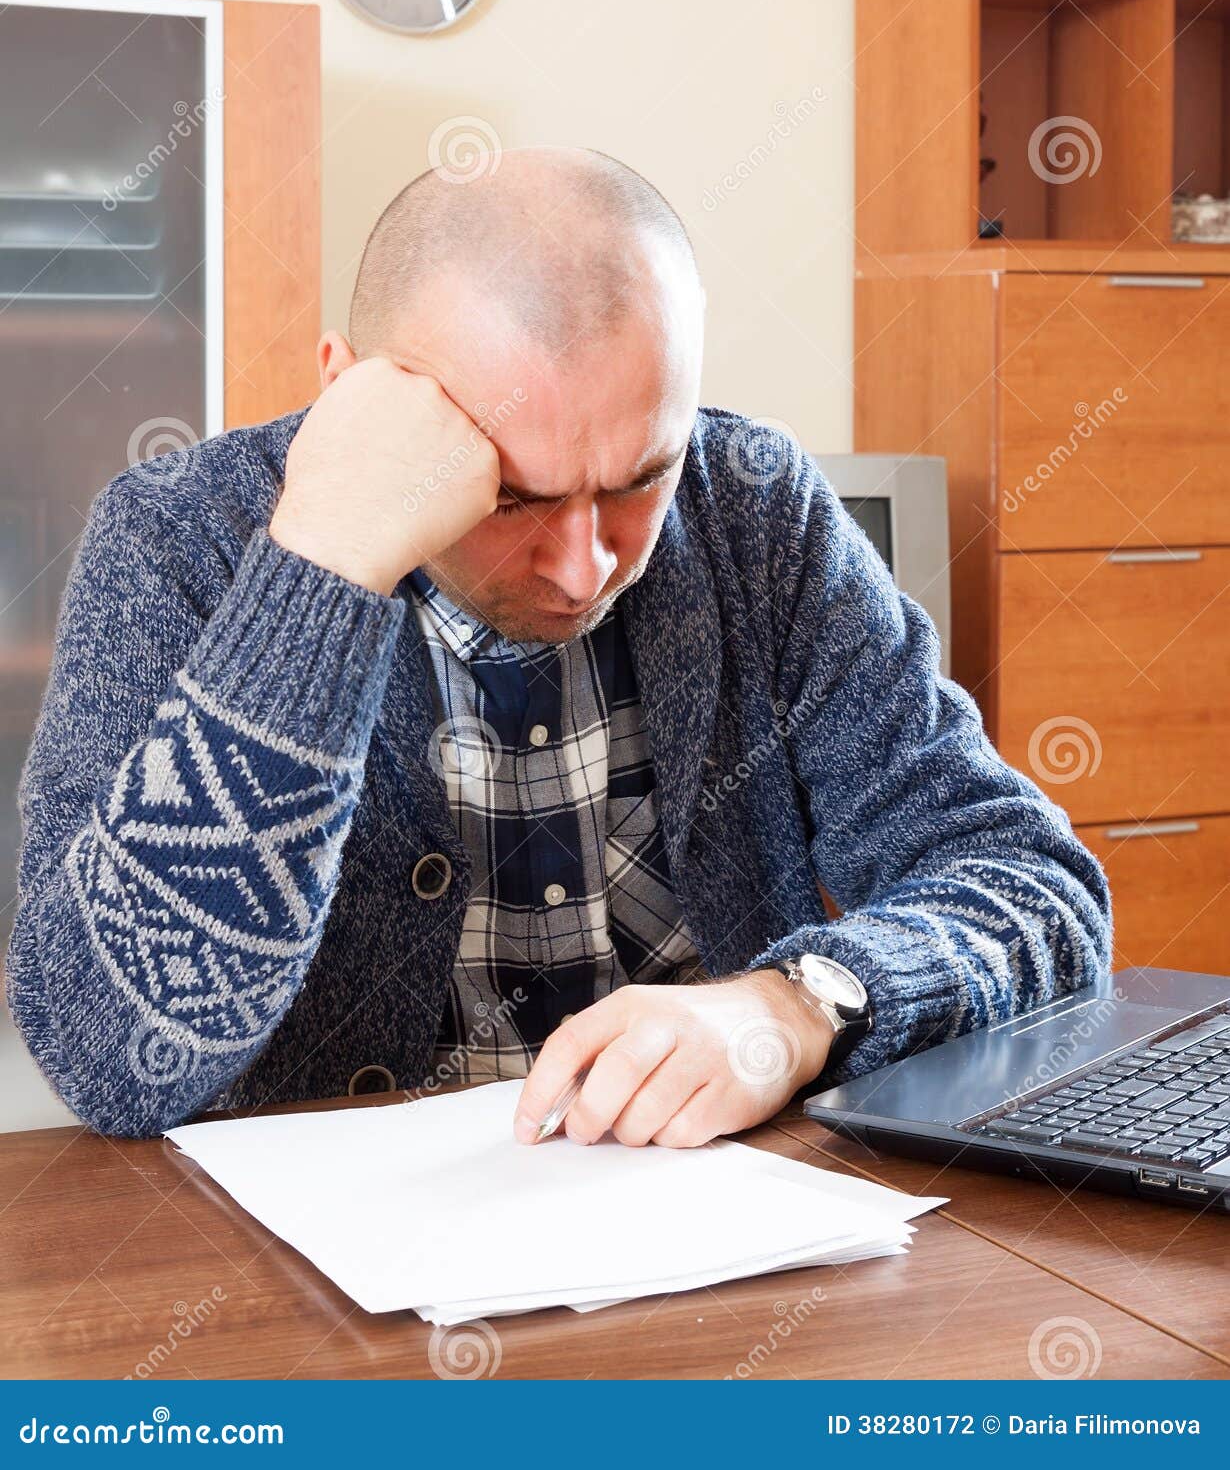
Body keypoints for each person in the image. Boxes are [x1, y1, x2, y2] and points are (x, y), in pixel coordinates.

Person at [6, 147, 1110, 1143]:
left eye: (640, 480)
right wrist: (323, 570)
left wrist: (799, 1002)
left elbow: (1036, 888)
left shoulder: (758, 510)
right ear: (351, 394)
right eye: (511, 495)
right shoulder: (176, 540)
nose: (584, 570)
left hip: (718, 1225)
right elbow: (113, 1062)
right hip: (319, 1273)